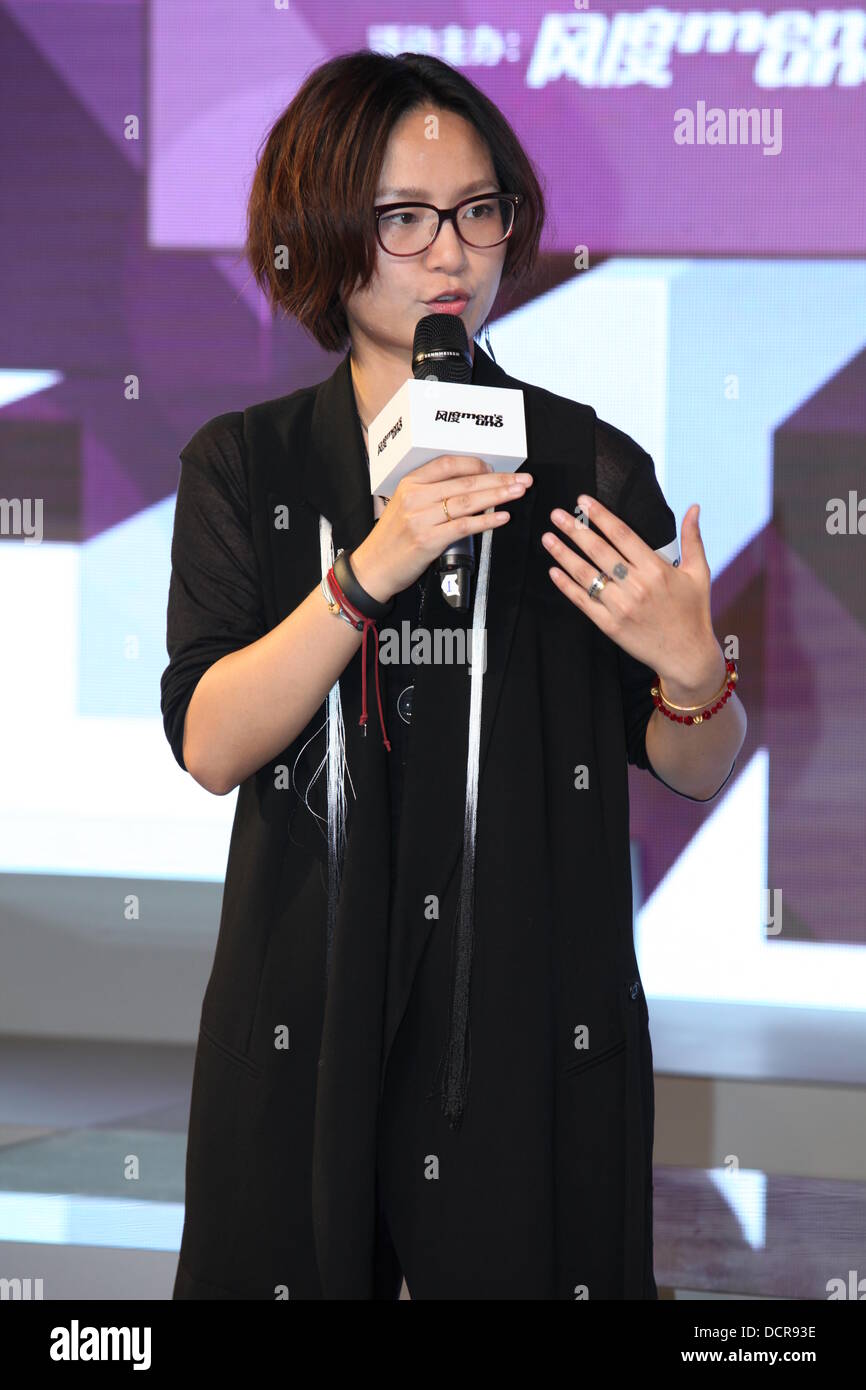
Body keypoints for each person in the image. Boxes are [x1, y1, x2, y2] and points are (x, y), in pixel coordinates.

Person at [160, 49, 747, 1301]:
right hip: (305, 1032)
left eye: (479, 212)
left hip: (530, 1032)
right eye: (406, 218)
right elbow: (212, 743)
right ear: (322, 233)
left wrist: (695, 675)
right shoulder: (248, 467)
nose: (453, 252)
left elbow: (689, 762)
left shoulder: (582, 462)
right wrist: (369, 568)